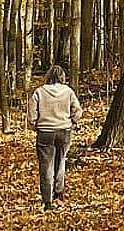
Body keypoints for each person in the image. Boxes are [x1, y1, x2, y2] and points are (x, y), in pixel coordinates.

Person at [25, 65, 83, 210]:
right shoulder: (68, 91)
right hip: (64, 131)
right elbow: (78, 111)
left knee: (46, 166)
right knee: (61, 161)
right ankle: (59, 191)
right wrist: (72, 121)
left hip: (45, 132)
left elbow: (31, 114)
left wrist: (34, 125)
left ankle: (47, 200)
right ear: (62, 77)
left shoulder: (39, 92)